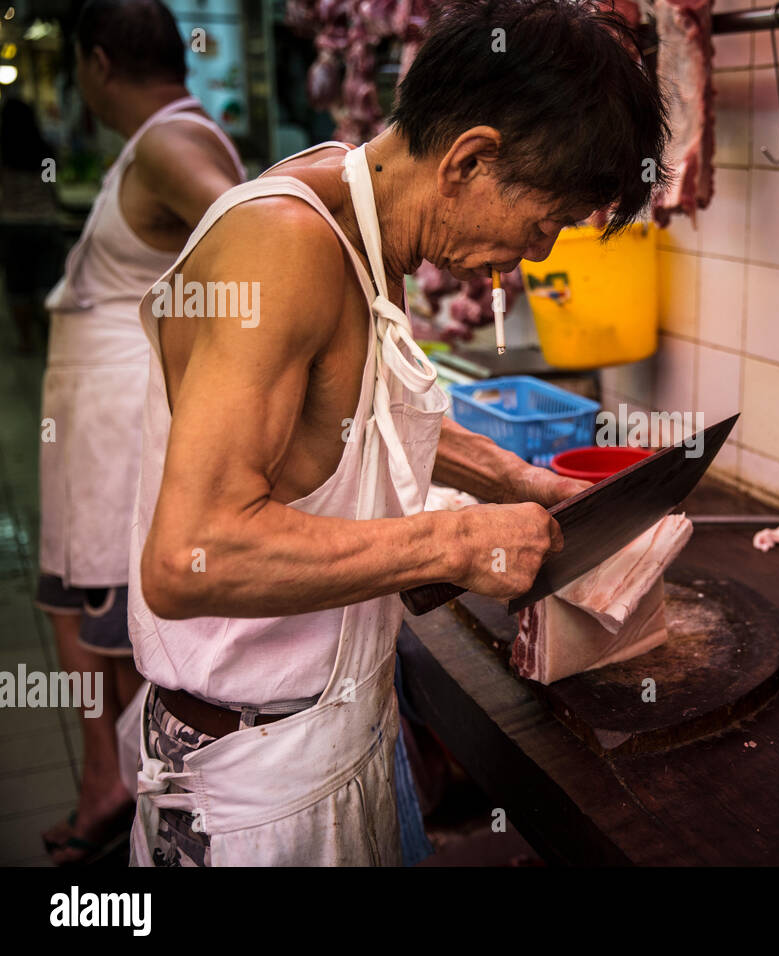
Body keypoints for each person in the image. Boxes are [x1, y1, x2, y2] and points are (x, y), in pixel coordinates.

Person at [128, 0, 668, 866]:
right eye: (541, 226)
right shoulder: (285, 244)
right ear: (472, 159)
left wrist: (514, 479)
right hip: (255, 790)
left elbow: (341, 414)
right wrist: (451, 543)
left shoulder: (370, 213)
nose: (530, 259)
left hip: (342, 733)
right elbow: (192, 554)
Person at [35, 0, 243, 864]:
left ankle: (137, 802)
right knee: (76, 611)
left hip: (126, 436)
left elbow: (258, 230)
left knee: (122, 632)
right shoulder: (158, 139)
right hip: (95, 434)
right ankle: (107, 785)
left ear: (96, 63)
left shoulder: (169, 144)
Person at [0, 98, 61, 353]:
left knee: (18, 287)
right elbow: (51, 185)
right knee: (47, 284)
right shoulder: (45, 151)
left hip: (12, 226)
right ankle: (51, 339)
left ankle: (26, 341)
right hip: (45, 223)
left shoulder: (2, 153)